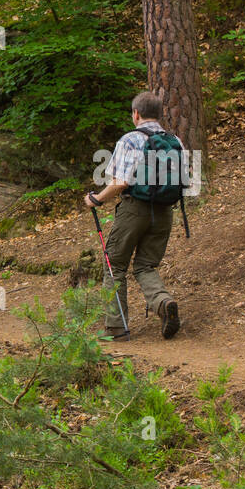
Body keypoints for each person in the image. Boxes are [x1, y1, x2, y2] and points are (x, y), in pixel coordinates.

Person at [85, 91, 183, 340]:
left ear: (136, 114)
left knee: (114, 264)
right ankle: (163, 302)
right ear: (159, 114)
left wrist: (96, 199)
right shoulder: (175, 141)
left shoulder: (130, 140)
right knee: (145, 265)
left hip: (134, 210)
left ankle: (116, 329)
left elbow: (120, 183)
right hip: (164, 212)